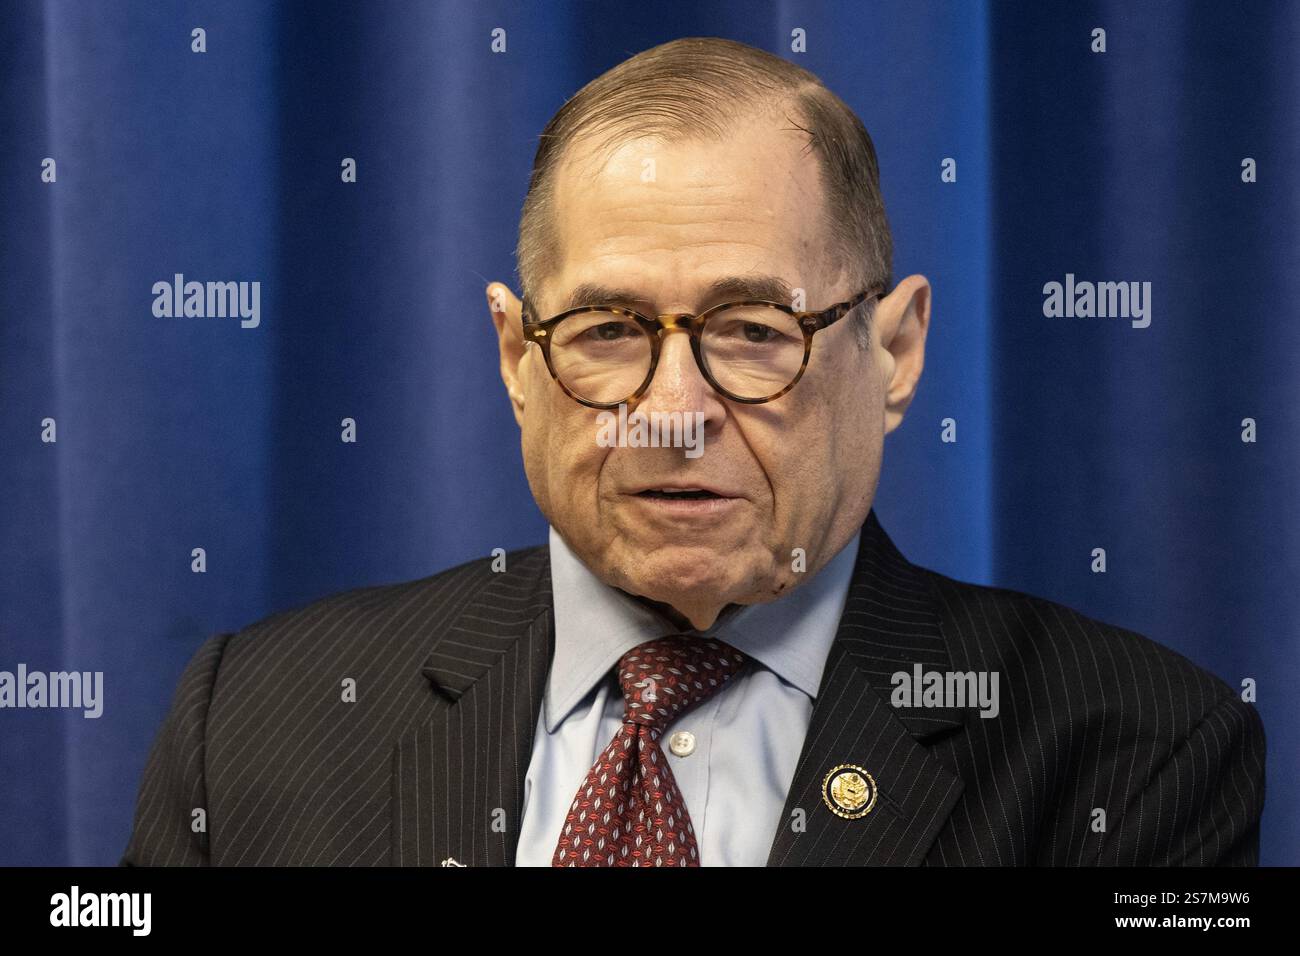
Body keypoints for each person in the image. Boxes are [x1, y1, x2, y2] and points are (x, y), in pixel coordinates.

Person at [122, 36, 1264, 867]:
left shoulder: (1135, 752)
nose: (674, 409)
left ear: (897, 350)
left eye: (753, 330)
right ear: (519, 360)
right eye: (609, 330)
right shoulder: (251, 722)